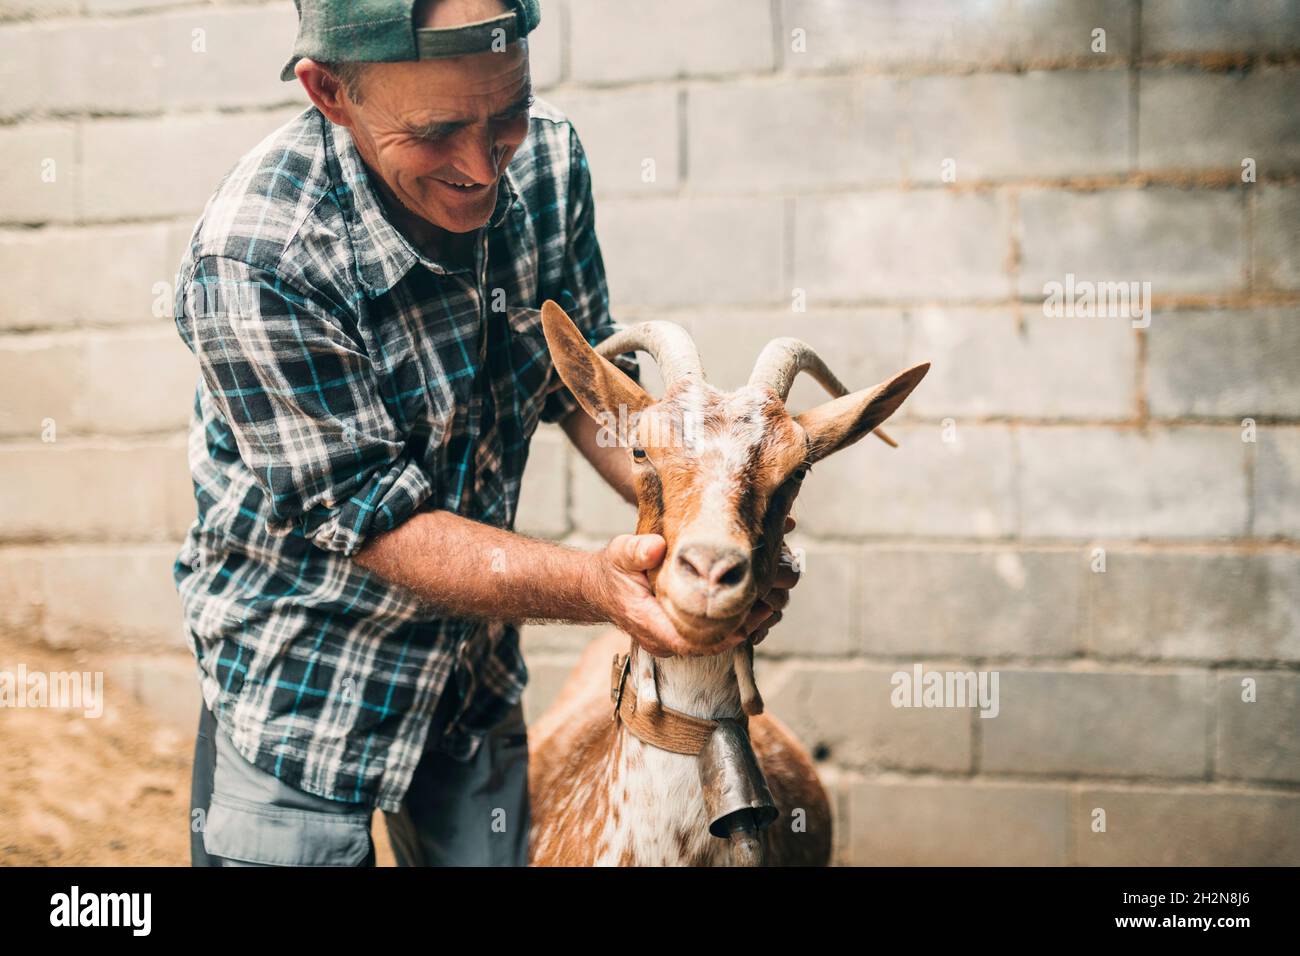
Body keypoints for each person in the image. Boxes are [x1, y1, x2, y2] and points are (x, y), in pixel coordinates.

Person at [174, 0, 797, 866]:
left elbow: (583, 390)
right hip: (304, 685)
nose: (481, 166)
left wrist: (705, 507)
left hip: (471, 679)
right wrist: (596, 586)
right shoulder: (256, 260)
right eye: (434, 131)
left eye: (504, 113)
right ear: (330, 91)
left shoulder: (545, 159)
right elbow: (379, 523)